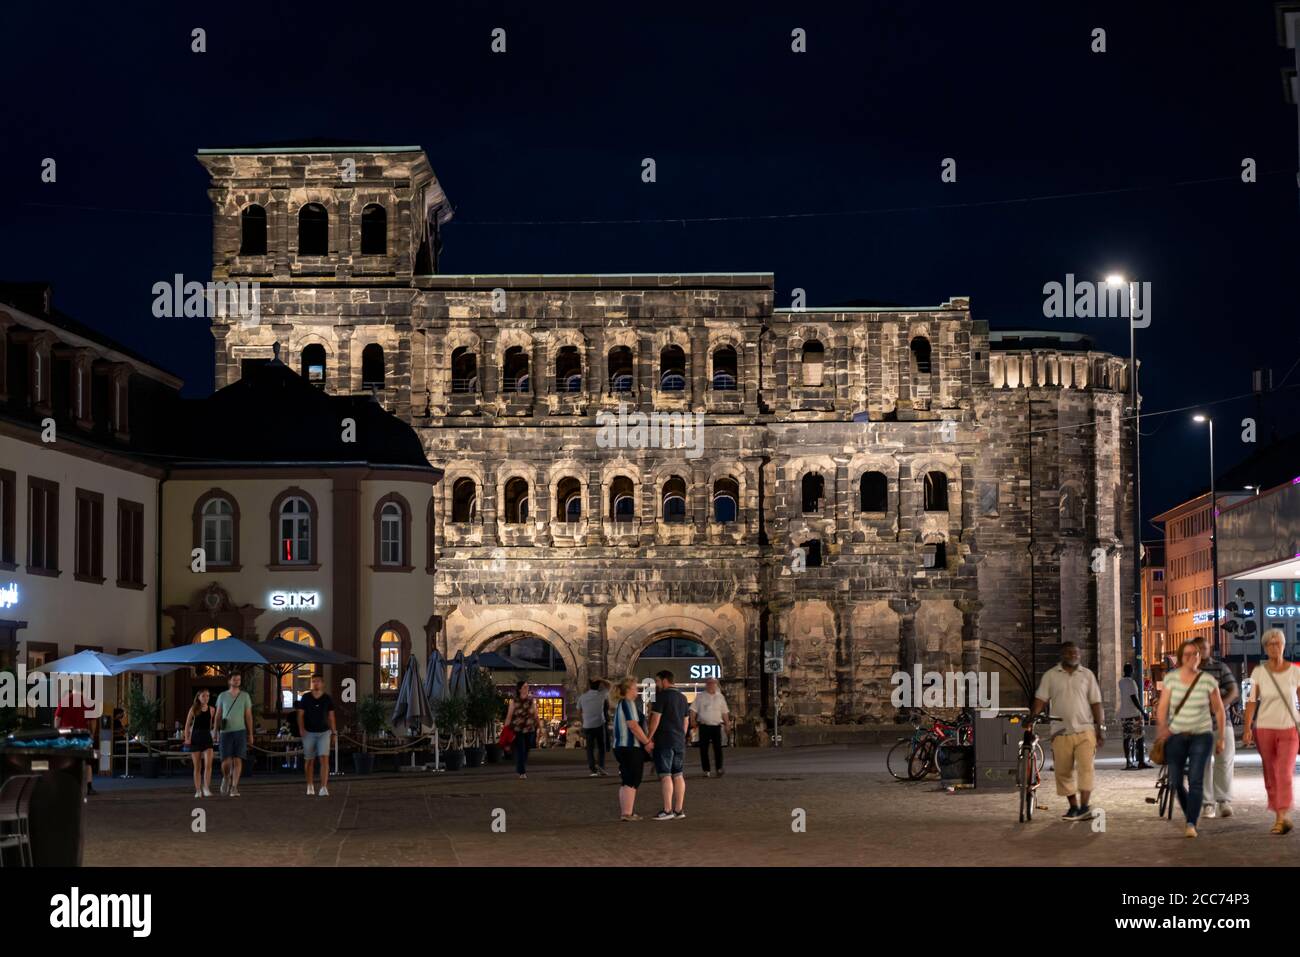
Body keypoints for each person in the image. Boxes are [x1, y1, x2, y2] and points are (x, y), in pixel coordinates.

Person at [1156, 640, 1226, 838]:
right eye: (1187, 654)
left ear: (1199, 657)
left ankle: (1191, 823)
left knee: (1196, 780)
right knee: (1176, 782)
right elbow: (1163, 707)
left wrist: (1221, 737)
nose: (1192, 657)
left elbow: (1219, 709)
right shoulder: (1171, 679)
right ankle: (1191, 812)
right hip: (1176, 735)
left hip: (1201, 736)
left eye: (1195, 654)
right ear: (1180, 657)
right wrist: (1162, 728)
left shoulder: (1207, 680)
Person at [1028, 642, 1105, 821]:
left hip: (1085, 729)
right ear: (1062, 655)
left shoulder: (1087, 675)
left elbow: (1096, 703)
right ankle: (1073, 806)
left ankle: (1085, 806)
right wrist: (1032, 717)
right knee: (1063, 771)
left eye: (1076, 652)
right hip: (1060, 731)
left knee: (1086, 768)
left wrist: (1100, 727)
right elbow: (1041, 699)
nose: (1073, 655)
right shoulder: (1051, 676)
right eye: (1070, 652)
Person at [1242, 628, 1300, 834]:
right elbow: (1250, 701)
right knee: (1270, 773)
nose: (1275, 647)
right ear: (1265, 648)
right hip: (1264, 728)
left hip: (1290, 728)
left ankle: (1281, 816)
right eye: (1271, 644)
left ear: (1284, 645)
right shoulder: (1258, 672)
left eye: (1279, 643)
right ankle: (1279, 812)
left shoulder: (1295, 671)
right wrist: (1247, 727)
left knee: (1284, 771)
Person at [1193, 635, 1238, 818]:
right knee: (1202, 764)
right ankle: (1207, 803)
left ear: (1209, 649)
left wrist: (1220, 705)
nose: (1202, 652)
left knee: (1225, 761)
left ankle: (1224, 800)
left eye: (1204, 648)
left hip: (1222, 722)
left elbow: (1234, 690)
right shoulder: (1188, 670)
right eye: (1198, 648)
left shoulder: (1220, 667)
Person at [647, 670, 690, 820]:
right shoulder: (683, 698)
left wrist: (648, 738)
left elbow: (655, 719)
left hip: (664, 740)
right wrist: (681, 736)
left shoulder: (661, 697)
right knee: (678, 774)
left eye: (657, 681)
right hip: (678, 741)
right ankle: (679, 810)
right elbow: (686, 721)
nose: (657, 684)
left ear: (665, 681)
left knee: (665, 775)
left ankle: (667, 810)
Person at [610, 676, 654, 821]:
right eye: (635, 687)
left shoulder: (621, 704)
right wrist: (647, 742)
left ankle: (625, 811)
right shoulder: (628, 704)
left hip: (620, 746)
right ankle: (627, 813)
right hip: (630, 747)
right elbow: (633, 725)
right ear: (629, 689)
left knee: (626, 779)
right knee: (633, 779)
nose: (637, 690)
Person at [295, 674, 336, 797]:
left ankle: (323, 786)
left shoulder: (327, 698)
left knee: (324, 758)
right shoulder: (306, 698)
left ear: (322, 683)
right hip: (309, 732)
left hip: (324, 732)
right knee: (309, 760)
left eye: (317, 681)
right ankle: (310, 784)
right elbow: (300, 714)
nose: (315, 684)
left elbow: (331, 716)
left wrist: (334, 732)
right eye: (313, 682)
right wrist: (301, 729)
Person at [214, 672, 254, 798]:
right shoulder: (222, 696)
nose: (237, 681)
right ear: (229, 681)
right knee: (226, 760)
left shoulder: (245, 696)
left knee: (238, 759)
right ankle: (226, 777)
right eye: (235, 679)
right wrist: (215, 730)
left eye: (239, 679)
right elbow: (218, 715)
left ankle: (234, 787)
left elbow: (248, 715)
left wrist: (250, 733)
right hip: (226, 732)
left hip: (240, 731)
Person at [55, 687, 97, 796]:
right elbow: (92, 721)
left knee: (65, 760)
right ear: (83, 689)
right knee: (87, 762)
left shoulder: (64, 701)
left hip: (66, 735)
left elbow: (57, 718)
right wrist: (92, 735)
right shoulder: (88, 702)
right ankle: (89, 787)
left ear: (73, 689)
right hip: (83, 735)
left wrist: (57, 732)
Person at [690, 677, 730, 777]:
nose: (711, 685)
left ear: (716, 685)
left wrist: (727, 724)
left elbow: (725, 712)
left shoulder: (720, 697)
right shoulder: (700, 697)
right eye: (709, 683)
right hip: (704, 726)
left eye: (713, 683)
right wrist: (692, 720)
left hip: (716, 726)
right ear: (706, 685)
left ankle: (719, 768)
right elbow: (693, 710)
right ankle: (706, 770)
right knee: (703, 749)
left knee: (718, 749)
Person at [503, 680, 539, 779]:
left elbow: (535, 715)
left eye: (527, 687)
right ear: (519, 689)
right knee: (521, 750)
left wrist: (539, 725)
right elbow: (509, 716)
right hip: (518, 729)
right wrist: (505, 728)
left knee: (526, 750)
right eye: (524, 687)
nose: (526, 688)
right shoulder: (514, 701)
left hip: (529, 729)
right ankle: (522, 771)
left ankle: (520, 767)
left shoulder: (531, 701)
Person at [183, 689, 215, 798]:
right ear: (198, 697)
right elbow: (187, 725)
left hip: (207, 737)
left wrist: (213, 735)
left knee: (208, 765)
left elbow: (210, 725)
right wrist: (187, 738)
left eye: (208, 696)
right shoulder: (193, 709)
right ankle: (198, 790)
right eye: (203, 696)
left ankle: (206, 788)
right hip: (196, 738)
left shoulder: (212, 709)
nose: (206, 698)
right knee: (197, 766)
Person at [1117, 664, 1149, 770]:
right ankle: (1141, 762)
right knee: (1140, 737)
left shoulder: (1121, 682)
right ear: (1132, 670)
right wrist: (1143, 712)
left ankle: (1128, 762)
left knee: (1127, 738)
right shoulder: (1131, 682)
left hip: (1124, 714)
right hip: (1134, 714)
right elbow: (1134, 698)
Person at [577, 678, 610, 777]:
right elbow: (610, 685)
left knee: (590, 748)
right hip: (600, 724)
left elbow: (578, 712)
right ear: (599, 686)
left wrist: (583, 722)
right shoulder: (601, 695)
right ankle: (601, 766)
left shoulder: (582, 697)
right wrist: (601, 679)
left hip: (588, 725)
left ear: (589, 686)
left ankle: (593, 770)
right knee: (601, 747)